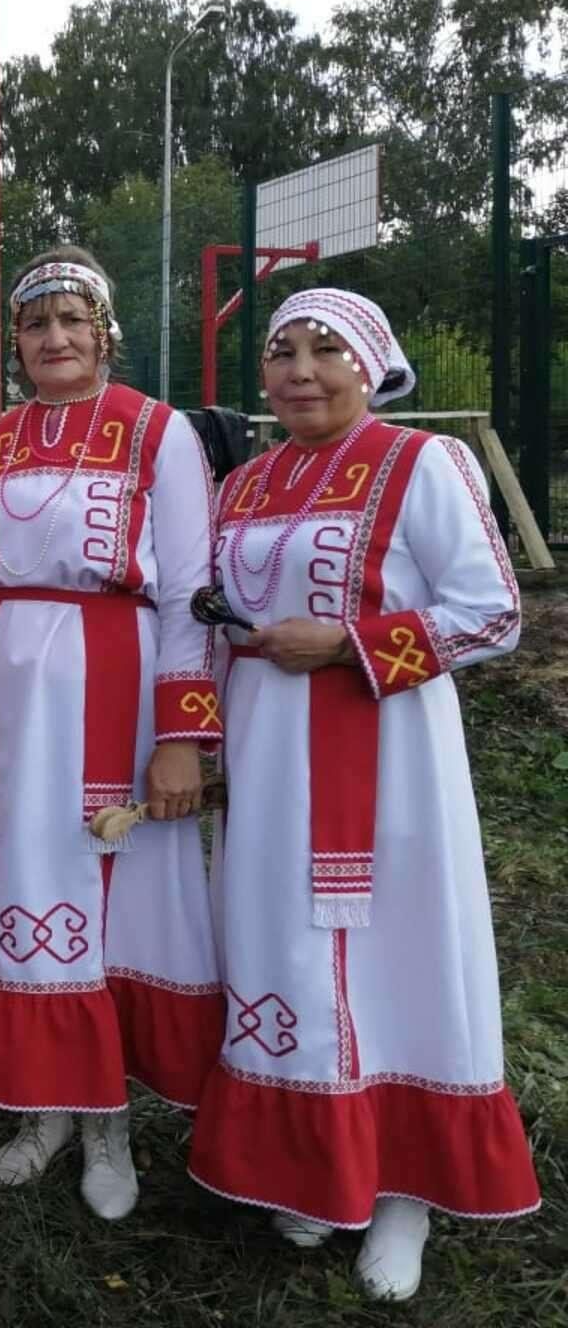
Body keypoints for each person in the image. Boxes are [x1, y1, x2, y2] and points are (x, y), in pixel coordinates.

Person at [187, 289, 539, 1299]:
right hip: (267, 754)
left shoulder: (422, 464)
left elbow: (491, 612)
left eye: (325, 350)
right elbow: (219, 618)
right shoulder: (246, 484)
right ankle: (315, 1165)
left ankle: (404, 1194)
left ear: (374, 364)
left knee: (400, 951)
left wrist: (347, 643)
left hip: (389, 755)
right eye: (281, 351)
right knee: (279, 941)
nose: (300, 370)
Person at [0, 248, 222, 1220]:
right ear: (17, 345)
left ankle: (110, 1123)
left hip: (114, 684)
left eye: (73, 322)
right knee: (25, 883)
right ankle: (44, 1107)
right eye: (36, 325)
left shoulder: (156, 433)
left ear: (104, 334)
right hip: (9, 696)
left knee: (114, 894)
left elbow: (185, 590)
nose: (55, 339)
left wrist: (182, 733)